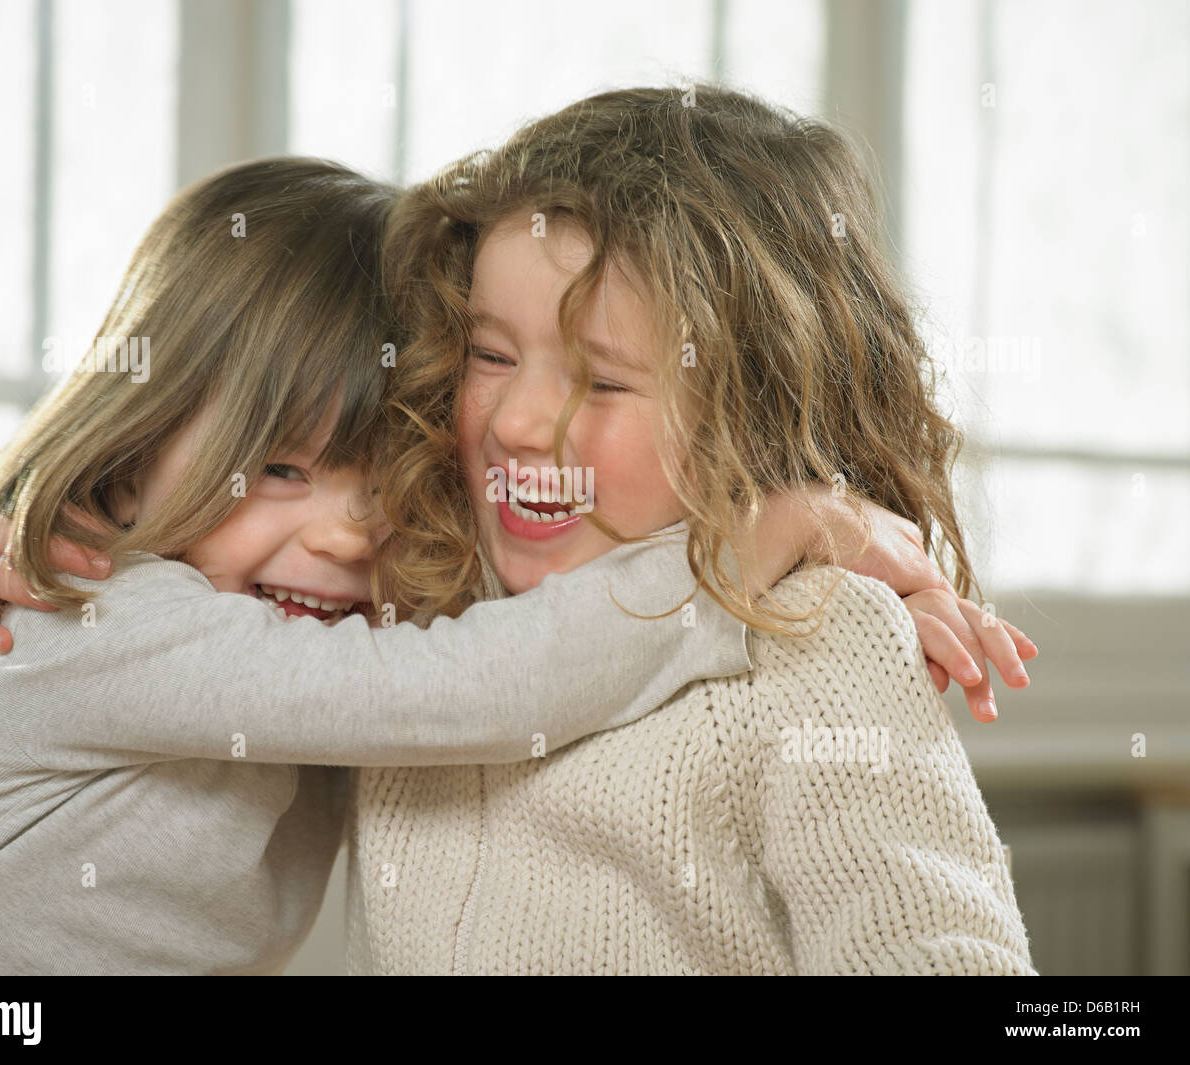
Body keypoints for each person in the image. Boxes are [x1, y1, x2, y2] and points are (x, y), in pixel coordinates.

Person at [0, 156, 1018, 975]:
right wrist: (755, 540)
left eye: (390, 485)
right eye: (281, 470)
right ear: (127, 456)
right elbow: (482, 685)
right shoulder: (87, 604)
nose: (346, 534)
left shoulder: (362, 623)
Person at [344, 86, 1038, 974]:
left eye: (600, 380)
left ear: (753, 410)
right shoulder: (418, 611)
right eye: (491, 355)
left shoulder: (814, 644)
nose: (519, 421)